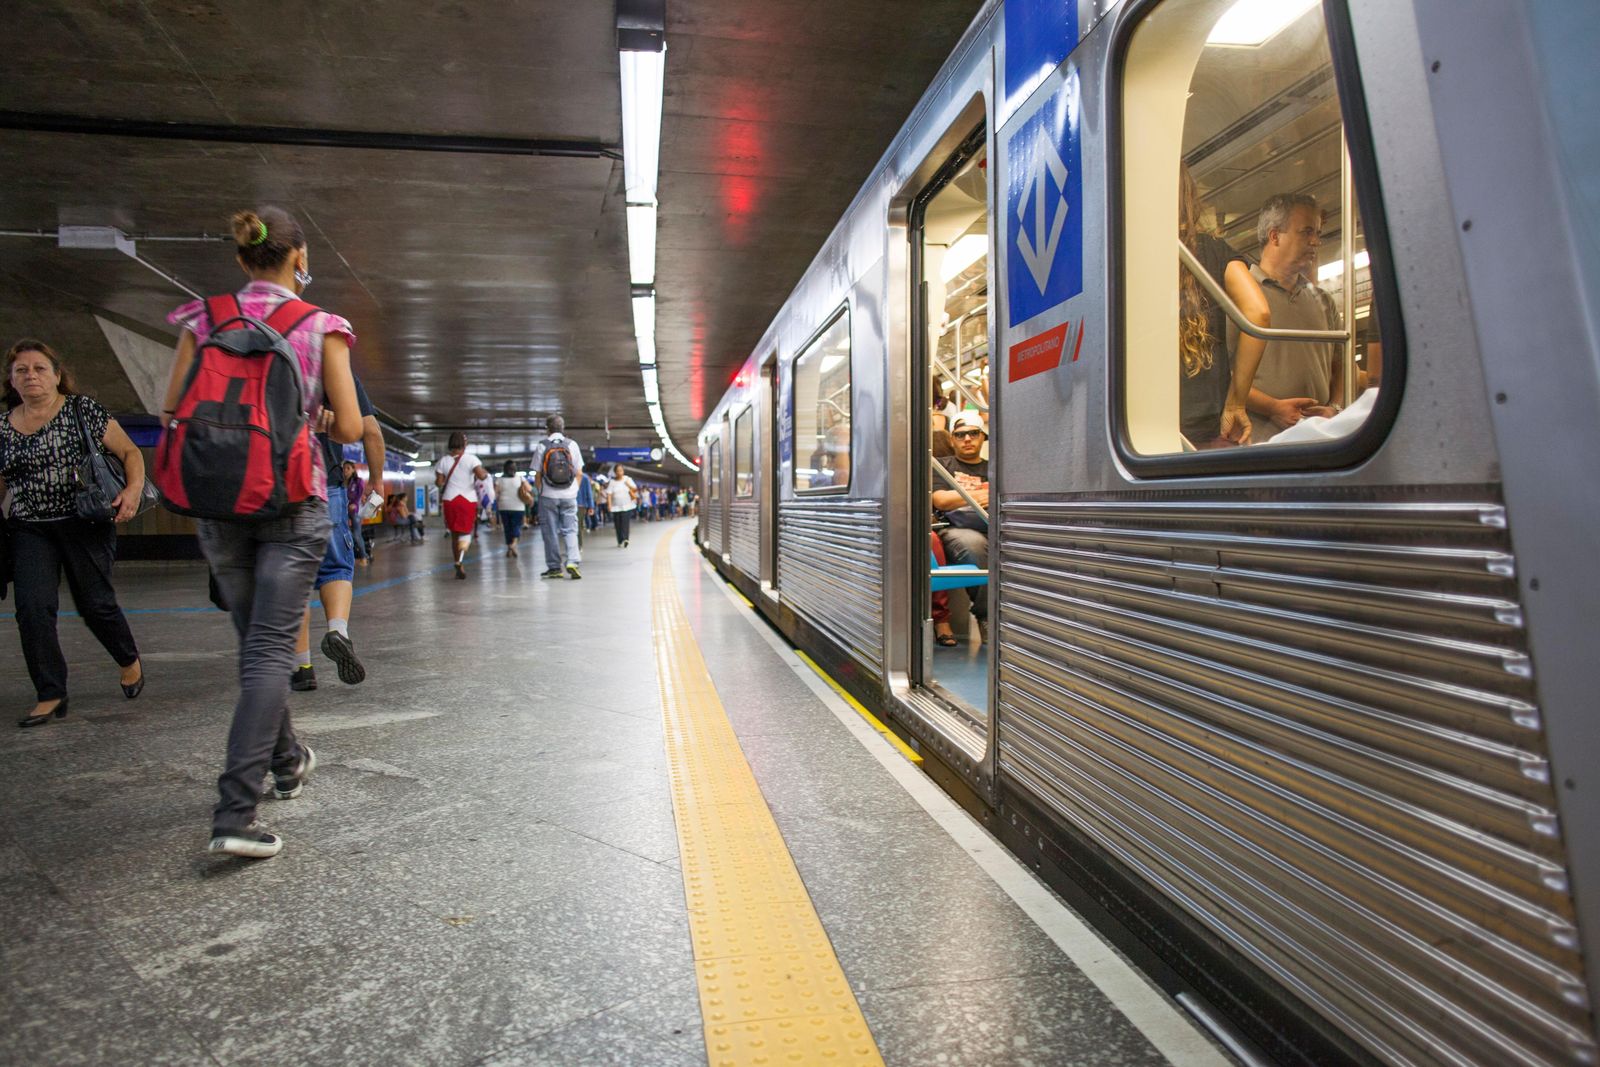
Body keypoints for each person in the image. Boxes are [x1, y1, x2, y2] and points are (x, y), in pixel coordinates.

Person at [163, 205, 363, 858]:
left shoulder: (203, 318)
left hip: (218, 502)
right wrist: (315, 417)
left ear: (241, 257)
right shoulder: (321, 326)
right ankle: (235, 812)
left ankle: (287, 758)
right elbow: (351, 427)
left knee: (259, 645)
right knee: (271, 651)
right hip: (292, 500)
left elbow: (172, 410)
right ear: (299, 258)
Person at [1, 340, 146, 727]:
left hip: (85, 521)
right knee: (32, 609)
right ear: (11, 381)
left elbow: (130, 452)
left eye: (39, 368)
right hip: (29, 527)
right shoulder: (2, 427)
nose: (30, 375)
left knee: (95, 604)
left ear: (57, 375)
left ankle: (127, 658)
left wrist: (132, 491)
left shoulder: (82, 409)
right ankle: (50, 693)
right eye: (21, 370)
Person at [290, 376, 385, 691]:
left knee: (294, 577)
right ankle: (338, 630)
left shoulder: (265, 357)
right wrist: (376, 480)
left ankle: (302, 667)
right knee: (336, 566)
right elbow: (370, 430)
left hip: (277, 486)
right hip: (325, 486)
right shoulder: (330, 368)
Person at [1236, 193, 1346, 442]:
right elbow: (1223, 376)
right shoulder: (1240, 295)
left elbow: (1341, 365)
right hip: (1260, 439)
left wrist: (1335, 408)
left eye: (1317, 233)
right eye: (1306, 232)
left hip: (1319, 437)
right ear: (1275, 236)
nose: (1316, 241)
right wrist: (1272, 407)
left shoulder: (1323, 301)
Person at [1177, 166, 1271, 447]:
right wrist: (1236, 402)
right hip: (1207, 426)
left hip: (1141, 423)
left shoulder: (1129, 251)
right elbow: (1259, 313)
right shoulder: (1216, 250)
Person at [932, 410, 990, 639]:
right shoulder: (941, 466)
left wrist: (961, 497)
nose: (967, 439)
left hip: (994, 525)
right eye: (960, 434)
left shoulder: (995, 467)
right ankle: (986, 616)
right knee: (975, 547)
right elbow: (941, 500)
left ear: (983, 437)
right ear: (952, 439)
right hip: (957, 528)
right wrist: (982, 492)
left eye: (973, 433)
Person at [531, 414, 584, 579]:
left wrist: (541, 492)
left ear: (547, 429)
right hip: (569, 495)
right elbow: (579, 473)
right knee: (570, 529)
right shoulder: (572, 445)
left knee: (550, 532)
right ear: (563, 428)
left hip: (548, 496)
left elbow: (537, 475)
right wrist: (574, 490)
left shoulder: (542, 446)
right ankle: (573, 561)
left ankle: (554, 567)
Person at [436, 432, 490, 579]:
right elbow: (481, 476)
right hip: (467, 499)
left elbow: (439, 483)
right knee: (466, 531)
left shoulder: (443, 461)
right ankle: (461, 557)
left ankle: (457, 561)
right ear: (464, 444)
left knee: (454, 534)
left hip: (450, 500)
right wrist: (485, 474)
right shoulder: (472, 459)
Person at [496, 459, 533, 557]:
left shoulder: (499, 479)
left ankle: (509, 548)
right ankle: (513, 544)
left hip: (503, 506)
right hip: (518, 507)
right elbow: (529, 488)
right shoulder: (520, 478)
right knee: (516, 526)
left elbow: (496, 493)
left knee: (507, 528)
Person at [607, 464, 639, 546]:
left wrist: (628, 484)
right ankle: (620, 540)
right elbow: (609, 494)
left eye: (621, 470)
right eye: (617, 471)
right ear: (615, 472)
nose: (619, 472)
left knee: (625, 523)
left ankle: (626, 539)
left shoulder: (627, 479)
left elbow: (635, 489)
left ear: (623, 471)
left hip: (626, 506)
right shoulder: (612, 482)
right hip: (616, 507)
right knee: (618, 524)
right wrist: (609, 505)